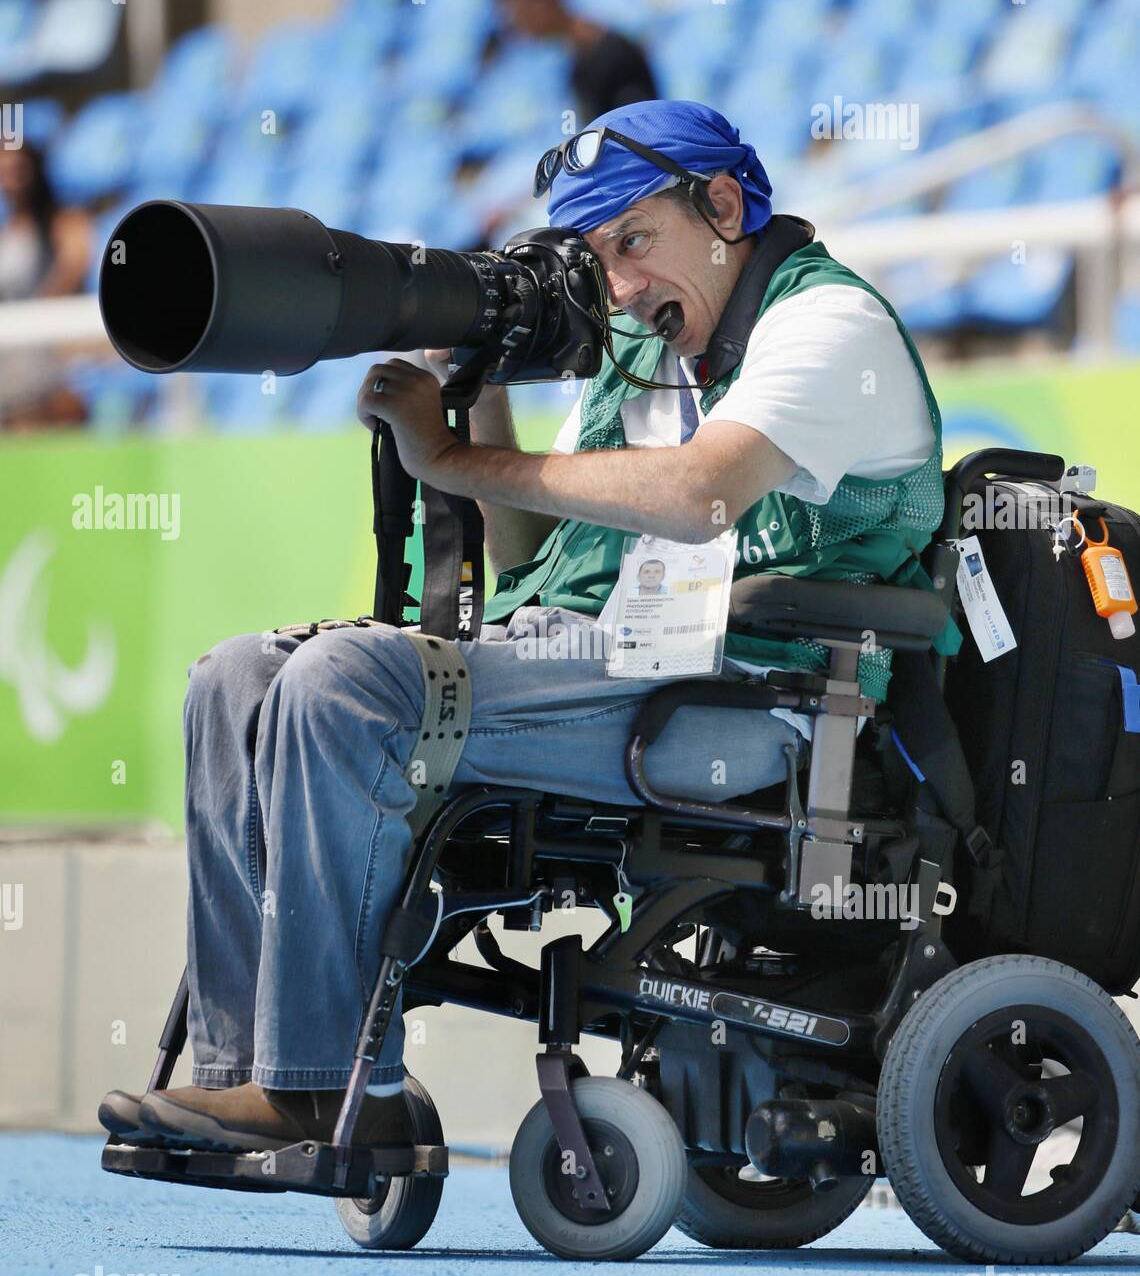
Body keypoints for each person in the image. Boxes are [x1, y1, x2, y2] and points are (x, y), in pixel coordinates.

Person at [100, 99, 957, 1153]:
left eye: (636, 241)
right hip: (602, 665)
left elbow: (700, 495)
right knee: (232, 678)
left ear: (725, 205)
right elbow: (529, 565)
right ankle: (245, 1080)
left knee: (343, 684)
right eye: (600, 258)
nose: (622, 287)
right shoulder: (646, 354)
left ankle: (327, 1092)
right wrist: (479, 392)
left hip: (751, 699)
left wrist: (451, 463)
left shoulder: (825, 326)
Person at [0, 141, 92, 427]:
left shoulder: (64, 221)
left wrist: (38, 316)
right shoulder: (8, 230)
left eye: (18, 170)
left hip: (51, 355)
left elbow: (76, 263)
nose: (12, 179)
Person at [496, 0, 658, 125]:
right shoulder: (576, 62)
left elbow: (641, 131)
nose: (519, 24)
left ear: (543, 1)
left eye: (520, 12)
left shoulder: (615, 54)